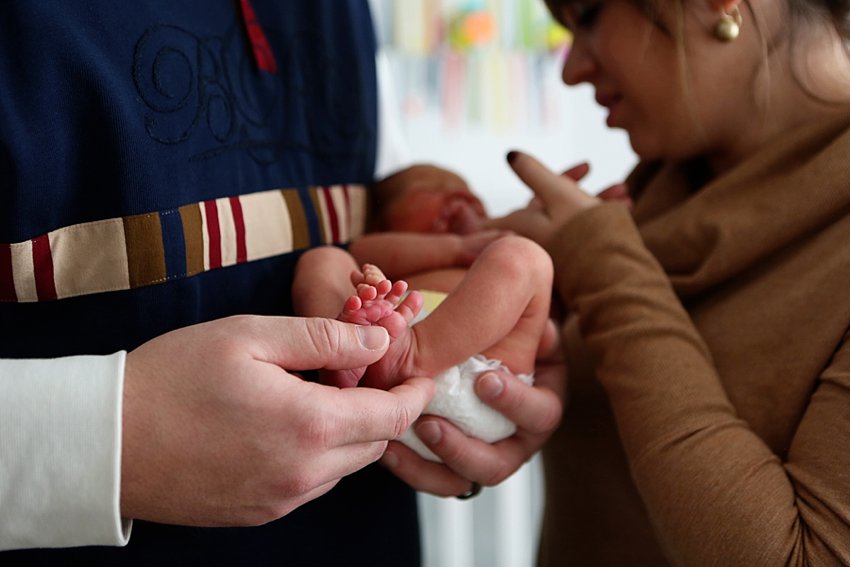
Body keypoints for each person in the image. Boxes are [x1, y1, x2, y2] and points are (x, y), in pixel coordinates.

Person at [0, 1, 564, 564]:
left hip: (376, 490)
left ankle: (374, 351)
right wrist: (111, 442)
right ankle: (384, 352)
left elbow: (349, 205)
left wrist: (535, 356)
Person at [487, 0, 850, 564]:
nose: (570, 68)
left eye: (587, 16)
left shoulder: (608, 243)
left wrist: (606, 269)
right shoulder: (660, 192)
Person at [293, 231, 554, 460]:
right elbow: (358, 250)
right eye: (434, 187)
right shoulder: (426, 257)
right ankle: (344, 350)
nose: (460, 204)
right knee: (325, 258)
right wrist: (454, 246)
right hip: (390, 382)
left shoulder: (480, 261)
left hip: (485, 373)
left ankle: (405, 356)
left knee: (526, 257)